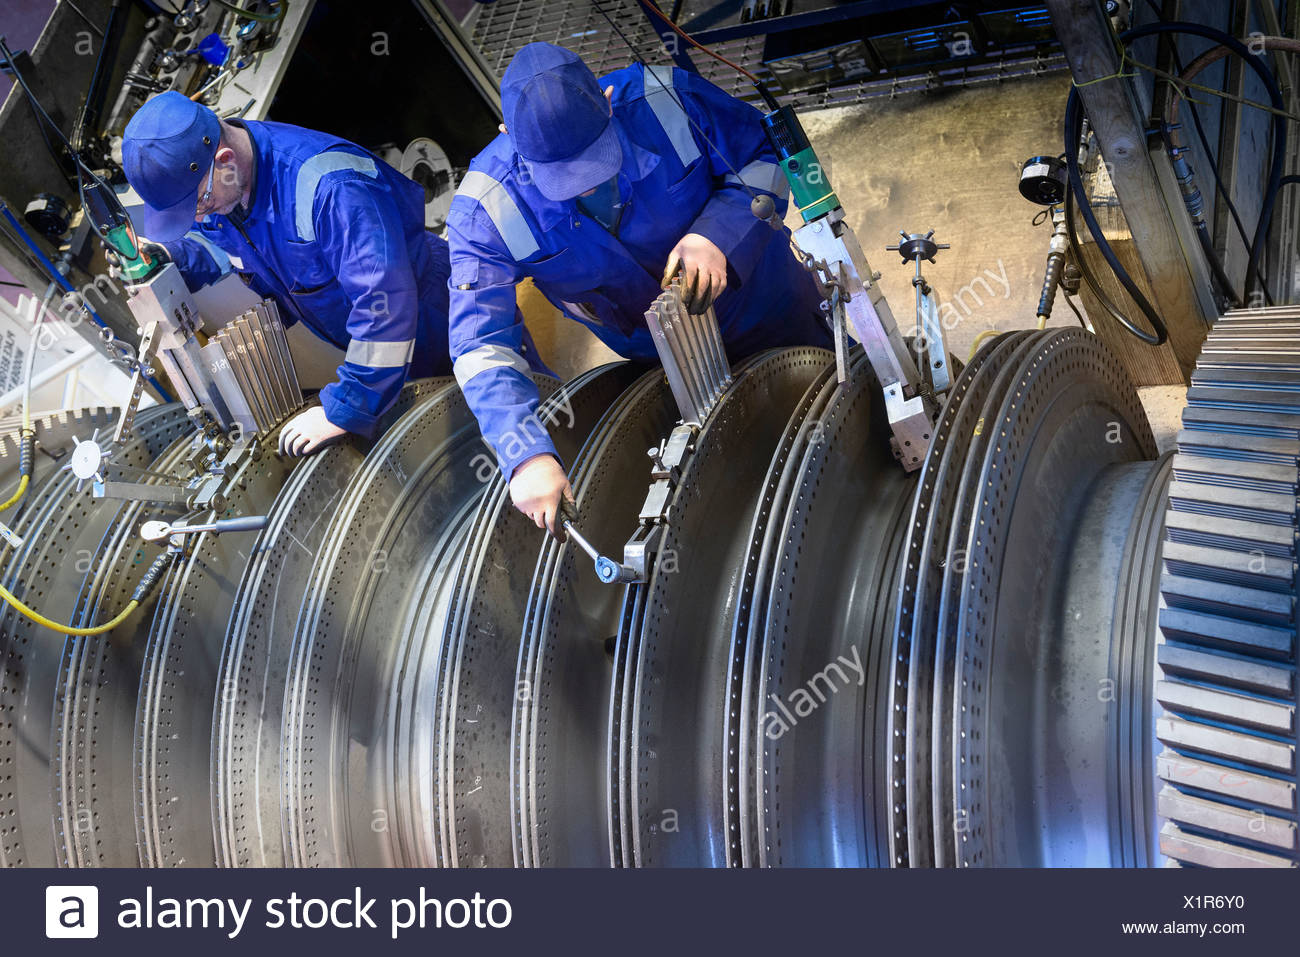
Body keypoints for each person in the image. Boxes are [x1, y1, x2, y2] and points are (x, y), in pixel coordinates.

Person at [446, 42, 830, 537]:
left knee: (834, 399)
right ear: (506, 137)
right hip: (662, 356)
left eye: (593, 160)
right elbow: (481, 345)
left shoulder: (666, 99)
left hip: (767, 302)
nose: (584, 186)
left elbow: (764, 158)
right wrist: (524, 454)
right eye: (561, 176)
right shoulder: (484, 210)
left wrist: (720, 233)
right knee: (746, 464)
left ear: (607, 99)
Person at [121, 91, 547, 455]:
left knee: (526, 422)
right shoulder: (224, 187)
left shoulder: (330, 188)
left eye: (196, 203)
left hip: (442, 318)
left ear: (224, 159)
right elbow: (228, 246)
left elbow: (386, 309)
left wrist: (346, 406)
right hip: (383, 346)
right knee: (458, 448)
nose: (198, 215)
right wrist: (167, 254)